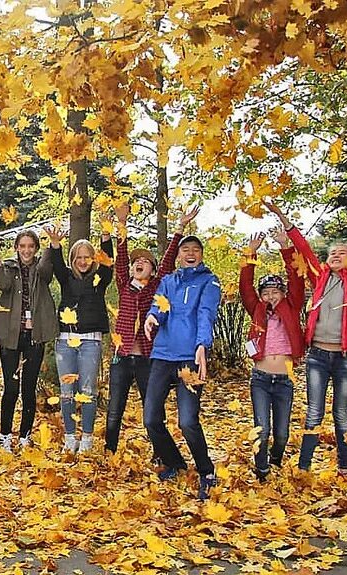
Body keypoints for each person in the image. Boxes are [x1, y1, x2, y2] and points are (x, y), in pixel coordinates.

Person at [264, 196, 347, 474]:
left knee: (341, 414)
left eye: (343, 252)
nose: (336, 255)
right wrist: (280, 213)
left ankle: (344, 466)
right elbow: (303, 247)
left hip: (345, 359)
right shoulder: (319, 277)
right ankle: (305, 467)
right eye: (333, 253)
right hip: (317, 356)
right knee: (314, 412)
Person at [105, 203, 198, 455]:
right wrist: (121, 224)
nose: (140, 263)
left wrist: (179, 226)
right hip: (122, 357)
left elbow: (169, 259)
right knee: (115, 409)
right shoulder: (124, 284)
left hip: (148, 357)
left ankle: (161, 453)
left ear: (153, 270)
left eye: (146, 262)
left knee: (152, 409)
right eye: (137, 261)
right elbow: (121, 257)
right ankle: (109, 452)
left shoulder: (158, 286)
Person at [143, 234, 221, 500]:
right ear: (178, 255)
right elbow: (160, 307)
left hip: (190, 357)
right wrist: (152, 317)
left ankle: (206, 470)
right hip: (163, 355)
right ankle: (175, 463)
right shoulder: (168, 281)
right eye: (185, 249)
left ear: (201, 254)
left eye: (195, 250)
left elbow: (205, 314)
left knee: (187, 421)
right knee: (151, 418)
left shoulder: (208, 282)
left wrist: (202, 345)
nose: (190, 253)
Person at [239, 228, 305, 481]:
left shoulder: (292, 306)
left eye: (274, 292)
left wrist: (285, 247)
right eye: (265, 293)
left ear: (282, 293)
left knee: (282, 434)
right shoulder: (257, 310)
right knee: (262, 429)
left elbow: (296, 281)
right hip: (261, 380)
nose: (270, 296)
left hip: (284, 381)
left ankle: (275, 460)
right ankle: (262, 470)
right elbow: (245, 286)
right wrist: (250, 254)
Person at [47, 223, 113, 454]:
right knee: (66, 392)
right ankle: (69, 436)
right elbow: (56, 265)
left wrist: (106, 237)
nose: (83, 262)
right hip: (66, 341)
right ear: (72, 260)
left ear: (93, 259)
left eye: (87, 257)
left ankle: (86, 437)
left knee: (87, 391)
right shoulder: (66, 278)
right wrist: (55, 244)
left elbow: (108, 265)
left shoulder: (99, 280)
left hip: (90, 341)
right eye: (78, 258)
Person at [0, 229, 56, 452]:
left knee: (29, 387)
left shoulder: (41, 268)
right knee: (11, 387)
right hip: (11, 334)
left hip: (34, 335)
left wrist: (53, 245)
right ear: (17, 247)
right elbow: (3, 285)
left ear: (36, 249)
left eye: (31, 246)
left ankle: (25, 435)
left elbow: (47, 273)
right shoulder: (9, 267)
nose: (26, 250)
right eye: (22, 246)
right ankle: (5, 434)